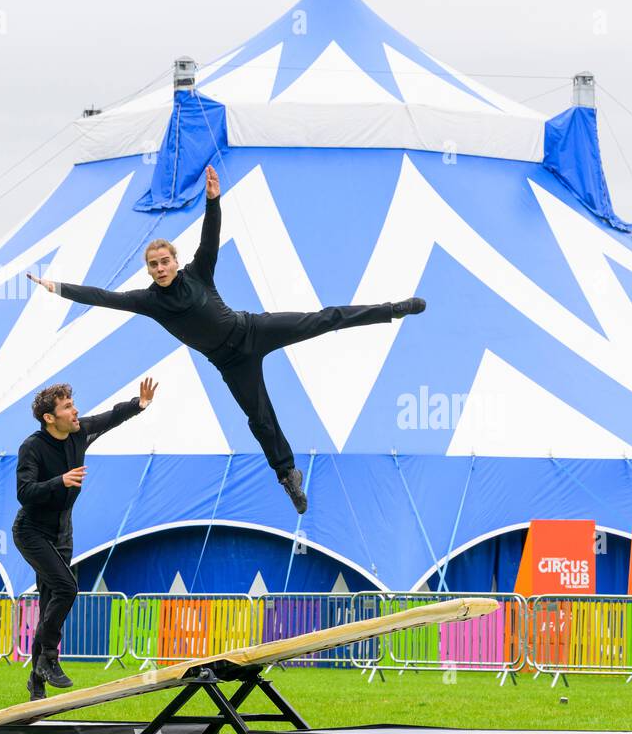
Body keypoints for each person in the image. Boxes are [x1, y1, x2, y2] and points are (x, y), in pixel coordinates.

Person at [27, 165, 425, 515]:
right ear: (149, 271)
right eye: (153, 265)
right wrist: (56, 287)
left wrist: (213, 201)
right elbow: (102, 297)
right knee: (260, 419)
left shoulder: (199, 272)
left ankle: (392, 308)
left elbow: (210, 238)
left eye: (165, 261)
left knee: (322, 319)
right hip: (232, 363)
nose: (160, 268)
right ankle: (288, 476)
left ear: (175, 262)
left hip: (252, 329)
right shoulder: (148, 302)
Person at [14, 378, 156, 700]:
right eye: (67, 407)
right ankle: (49, 657)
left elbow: (110, 417)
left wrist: (139, 404)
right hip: (31, 532)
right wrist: (59, 481)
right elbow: (24, 493)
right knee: (67, 587)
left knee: (51, 605)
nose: (75, 410)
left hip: (62, 533)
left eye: (72, 403)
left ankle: (37, 683)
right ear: (50, 418)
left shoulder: (78, 432)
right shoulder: (32, 447)